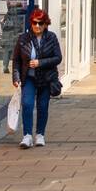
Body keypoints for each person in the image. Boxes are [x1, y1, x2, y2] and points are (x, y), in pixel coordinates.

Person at [10, 8, 63, 148]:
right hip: (29, 78)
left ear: (45, 24)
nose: (37, 26)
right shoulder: (23, 39)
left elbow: (58, 58)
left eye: (40, 23)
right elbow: (16, 60)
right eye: (34, 22)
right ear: (31, 23)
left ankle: (40, 135)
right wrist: (16, 77)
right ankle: (27, 136)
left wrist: (40, 63)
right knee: (27, 104)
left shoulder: (51, 37)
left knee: (42, 106)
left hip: (46, 78)